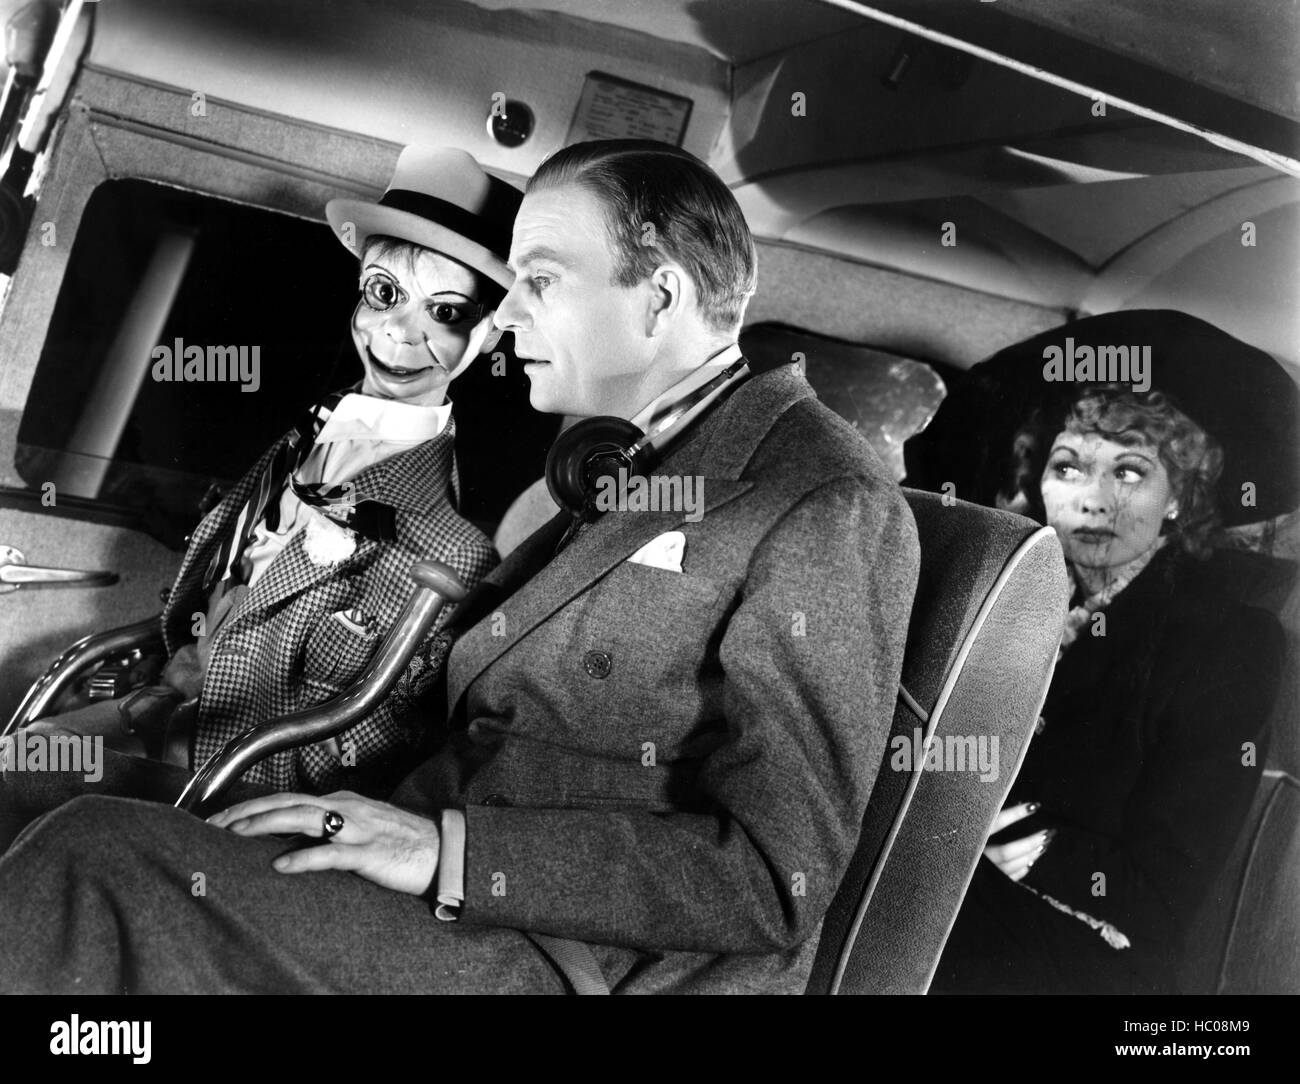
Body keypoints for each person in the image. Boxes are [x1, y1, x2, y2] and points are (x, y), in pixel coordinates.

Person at [0, 138, 920, 995]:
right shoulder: (615, 461)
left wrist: (446, 852)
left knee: (95, 856)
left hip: (540, 946)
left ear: (661, 298)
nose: (506, 316)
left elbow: (771, 878)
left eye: (537, 282)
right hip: (421, 858)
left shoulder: (821, 497)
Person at [8, 146, 515, 804]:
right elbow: (229, 572)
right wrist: (159, 675)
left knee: (20, 777)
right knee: (17, 753)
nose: (397, 331)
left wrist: (236, 770)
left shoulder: (451, 549)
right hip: (164, 700)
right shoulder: (306, 433)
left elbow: (372, 743)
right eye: (384, 293)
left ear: (489, 335)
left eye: (444, 312)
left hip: (238, 773)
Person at [921, 312, 1293, 994]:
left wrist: (1019, 840)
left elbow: (1163, 894)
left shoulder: (1226, 643)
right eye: (1070, 466)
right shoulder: (997, 587)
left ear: (1178, 495)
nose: (1093, 499)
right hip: (929, 898)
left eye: (1129, 472)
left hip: (1074, 955)